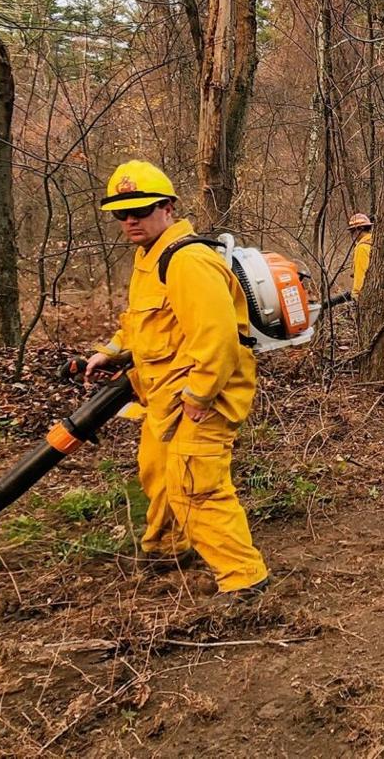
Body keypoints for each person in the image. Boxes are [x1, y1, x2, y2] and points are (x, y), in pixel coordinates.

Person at [81, 161, 270, 600]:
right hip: (163, 395)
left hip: (203, 395)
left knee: (196, 486)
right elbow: (142, 324)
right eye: (120, 214)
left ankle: (244, 578)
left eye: (140, 211)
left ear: (167, 207)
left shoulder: (188, 260)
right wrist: (110, 351)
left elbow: (218, 338)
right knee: (157, 472)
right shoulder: (147, 258)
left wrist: (199, 396)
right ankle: (167, 547)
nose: (129, 221)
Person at [347, 212, 373, 296]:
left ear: (360, 229)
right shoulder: (374, 242)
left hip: (366, 294)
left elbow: (361, 272)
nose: (352, 234)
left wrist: (356, 293)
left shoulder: (362, 248)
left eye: (352, 231)